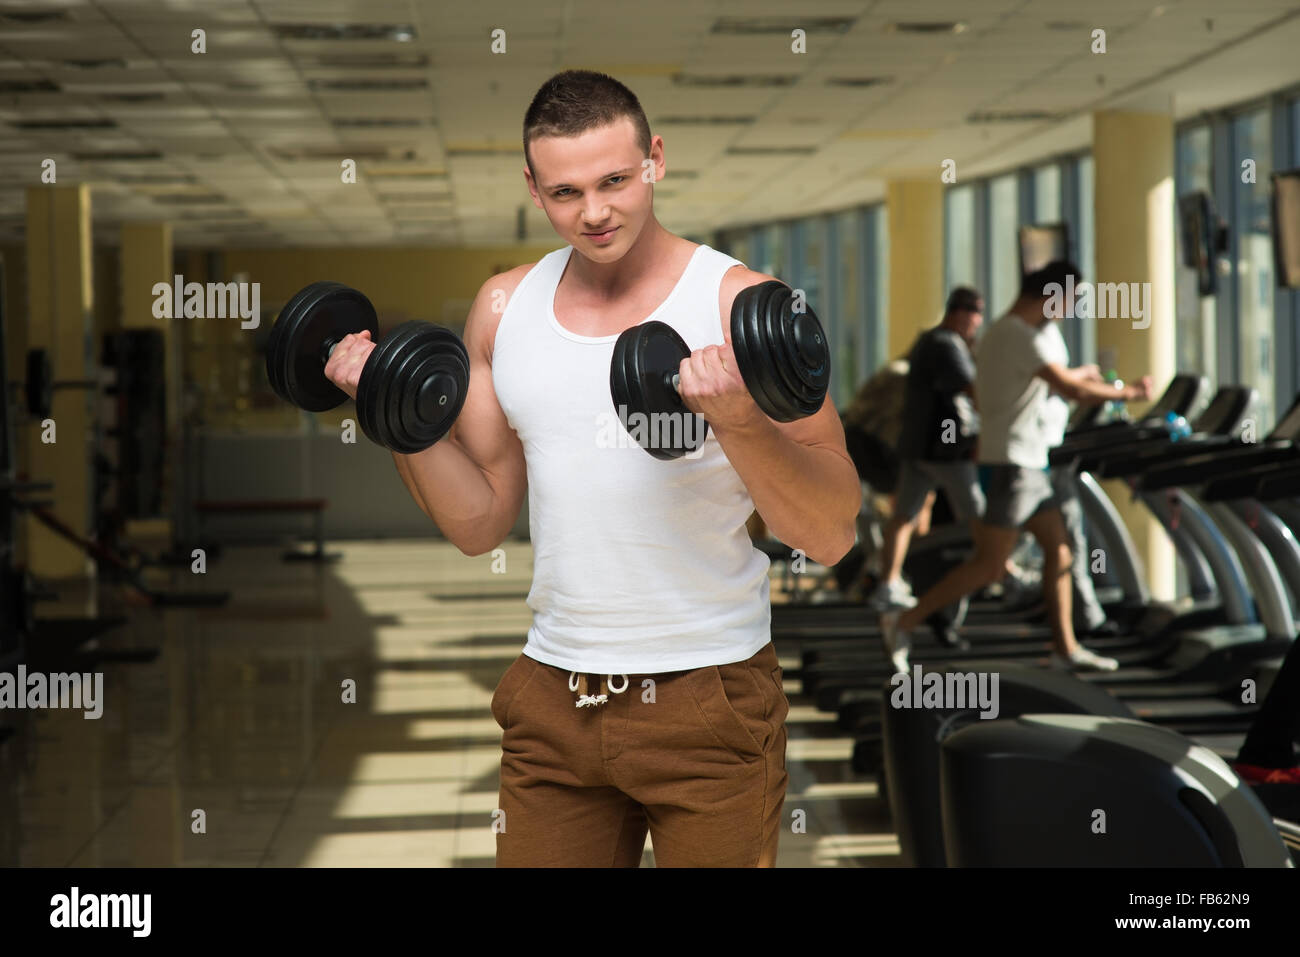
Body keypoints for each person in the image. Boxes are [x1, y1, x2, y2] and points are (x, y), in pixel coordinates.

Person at [323, 70, 860, 867]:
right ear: (533, 188)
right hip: (555, 697)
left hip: (709, 698)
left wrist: (740, 420)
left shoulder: (740, 304)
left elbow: (832, 530)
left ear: (655, 161)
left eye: (616, 180)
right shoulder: (504, 307)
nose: (596, 211)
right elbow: (478, 522)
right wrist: (390, 407)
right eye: (566, 190)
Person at [881, 261, 1152, 674]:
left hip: (1025, 462)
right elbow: (1070, 388)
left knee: (1060, 551)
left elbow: (1036, 385)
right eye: (1069, 301)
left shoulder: (999, 334)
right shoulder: (1018, 334)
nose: (1067, 311)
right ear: (1052, 295)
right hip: (1014, 464)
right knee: (990, 565)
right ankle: (903, 621)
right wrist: (1128, 392)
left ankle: (1065, 648)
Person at [867, 287, 985, 612]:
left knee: (904, 514)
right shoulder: (946, 343)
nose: (977, 324)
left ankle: (888, 582)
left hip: (919, 446)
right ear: (961, 313)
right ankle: (1002, 571)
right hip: (942, 449)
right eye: (976, 317)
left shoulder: (930, 340)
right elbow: (972, 389)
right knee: (977, 513)